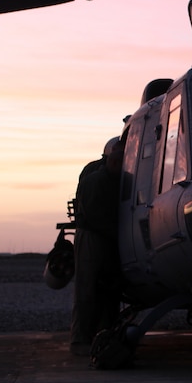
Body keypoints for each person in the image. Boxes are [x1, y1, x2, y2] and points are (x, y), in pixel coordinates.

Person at [70, 137, 124, 356]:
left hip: (103, 235)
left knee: (107, 289)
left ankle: (104, 334)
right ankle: (80, 340)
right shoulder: (97, 180)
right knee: (88, 288)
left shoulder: (102, 175)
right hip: (93, 237)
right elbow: (94, 216)